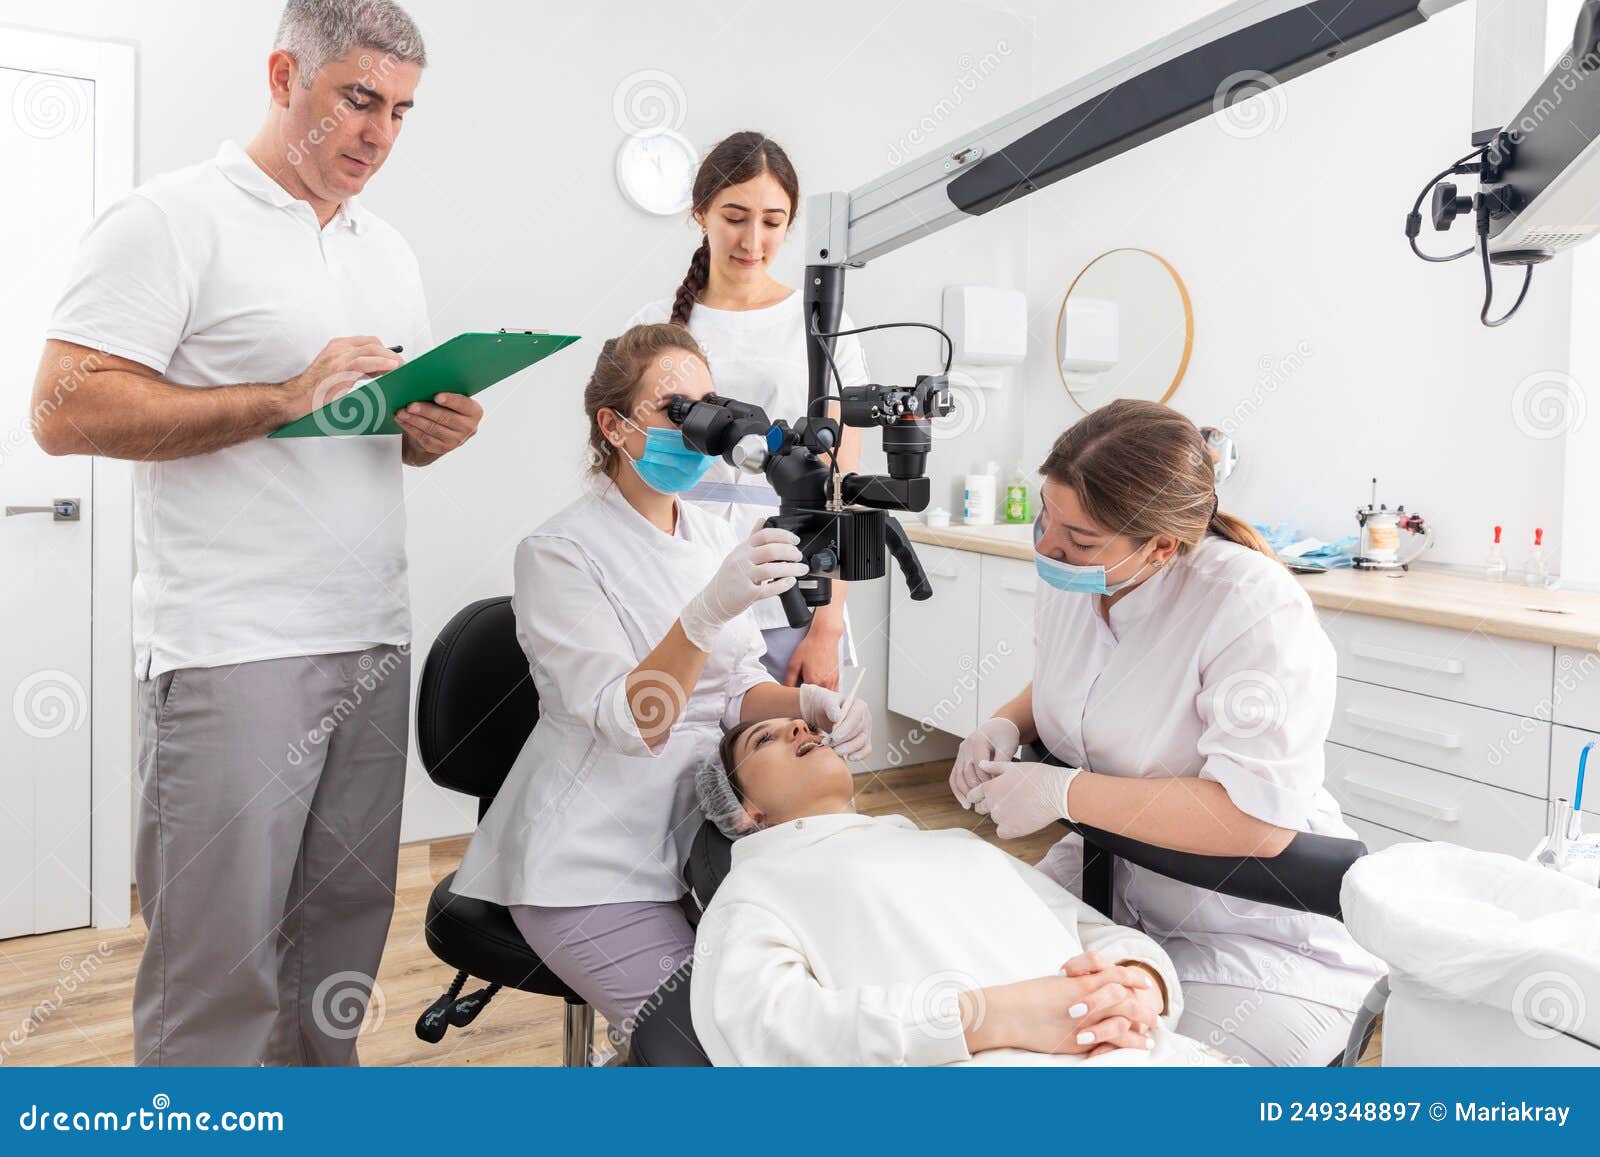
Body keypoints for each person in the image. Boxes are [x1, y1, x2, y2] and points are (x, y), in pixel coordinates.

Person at [29, 0, 483, 1067]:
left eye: (402, 113)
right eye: (358, 99)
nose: (378, 134)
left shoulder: (387, 249)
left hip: (370, 635)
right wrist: (278, 395)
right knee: (217, 973)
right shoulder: (170, 218)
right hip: (232, 647)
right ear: (286, 76)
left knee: (335, 961)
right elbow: (62, 409)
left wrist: (427, 430)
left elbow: (364, 435)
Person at [450, 324, 872, 1048]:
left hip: (703, 845)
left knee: (794, 1012)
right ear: (614, 426)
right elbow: (633, 720)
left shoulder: (709, 534)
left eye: (706, 404)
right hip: (592, 868)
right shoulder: (557, 554)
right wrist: (704, 612)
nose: (698, 424)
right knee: (708, 1043)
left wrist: (805, 704)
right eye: (674, 407)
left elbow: (736, 686)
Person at [949, 399, 1385, 1067]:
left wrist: (1062, 792)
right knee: (970, 995)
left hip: (1250, 932)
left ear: (1160, 545)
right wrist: (1008, 720)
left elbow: (1254, 822)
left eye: (1079, 538)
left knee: (1121, 1070)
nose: (1046, 546)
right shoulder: (1078, 574)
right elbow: (1085, 676)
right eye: (1045, 516)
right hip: (1110, 880)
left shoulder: (1250, 606)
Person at [688, 716, 1231, 1066]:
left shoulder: (952, 844)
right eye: (767, 739)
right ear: (744, 809)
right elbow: (769, 1034)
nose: (802, 731)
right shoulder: (756, 890)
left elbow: (1096, 931)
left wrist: (1140, 982)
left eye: (802, 725)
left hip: (1142, 1053)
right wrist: (982, 1016)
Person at [626, 131, 868, 689]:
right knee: (679, 754)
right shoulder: (656, 324)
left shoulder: (823, 322)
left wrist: (826, 627)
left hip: (793, 580)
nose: (752, 240)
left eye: (773, 221)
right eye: (735, 216)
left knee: (789, 761)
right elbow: (628, 460)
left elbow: (843, 484)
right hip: (679, 576)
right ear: (701, 211)